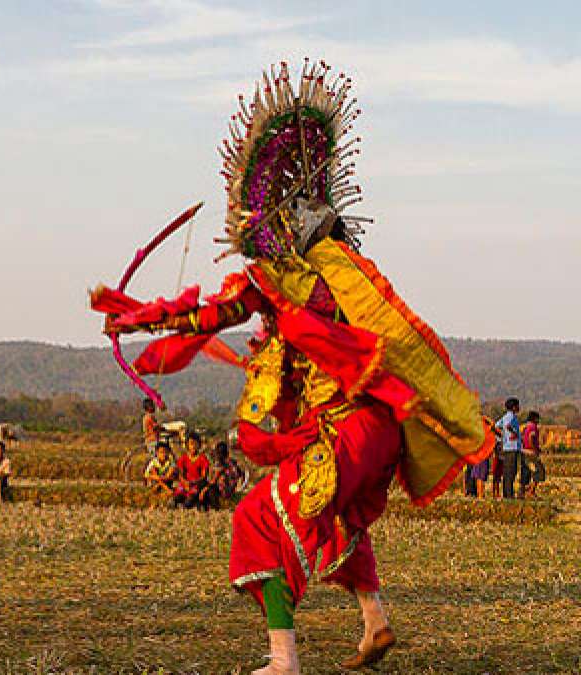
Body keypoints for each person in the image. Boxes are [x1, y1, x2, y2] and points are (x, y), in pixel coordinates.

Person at [91, 62, 494, 673]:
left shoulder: (279, 279)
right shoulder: (344, 278)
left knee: (259, 517)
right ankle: (375, 622)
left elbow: (213, 313)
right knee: (336, 519)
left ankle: (284, 659)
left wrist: (136, 318)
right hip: (377, 430)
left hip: (345, 431)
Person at [495, 398, 523, 499]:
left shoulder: (505, 417)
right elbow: (507, 426)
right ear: (514, 407)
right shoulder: (511, 417)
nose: (519, 407)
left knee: (507, 472)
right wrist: (513, 432)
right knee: (511, 472)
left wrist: (502, 437)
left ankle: (507, 494)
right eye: (518, 405)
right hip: (512, 448)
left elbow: (496, 426)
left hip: (507, 447)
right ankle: (509, 495)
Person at [174, 433, 210, 509]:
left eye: (195, 444)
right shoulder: (183, 458)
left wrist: (192, 483)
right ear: (187, 445)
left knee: (190, 500)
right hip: (185, 484)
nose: (193, 446)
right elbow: (180, 474)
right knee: (177, 496)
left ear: (199, 445)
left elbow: (204, 476)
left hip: (197, 484)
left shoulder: (203, 459)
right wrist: (184, 482)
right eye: (191, 444)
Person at [210, 441, 245, 510]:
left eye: (216, 453)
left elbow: (213, 480)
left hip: (225, 491)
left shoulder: (222, 464)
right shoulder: (233, 462)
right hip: (232, 490)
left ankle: (219, 505)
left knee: (209, 489)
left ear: (219, 454)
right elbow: (242, 475)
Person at [521, 411, 545, 498]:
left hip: (524, 451)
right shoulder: (533, 427)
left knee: (526, 472)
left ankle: (523, 491)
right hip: (531, 453)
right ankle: (531, 491)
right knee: (539, 471)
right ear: (535, 418)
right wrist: (535, 449)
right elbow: (531, 437)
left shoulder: (525, 427)